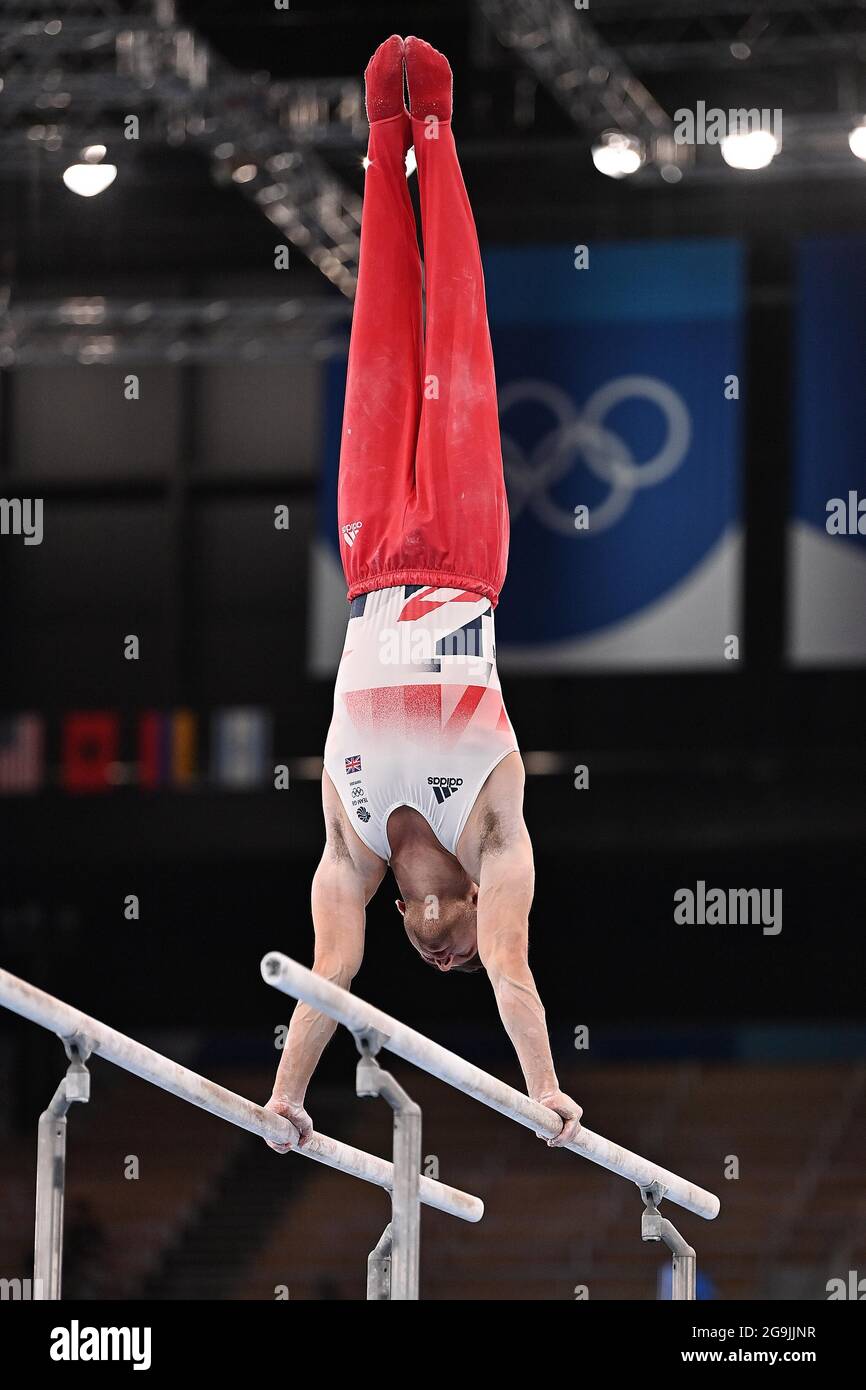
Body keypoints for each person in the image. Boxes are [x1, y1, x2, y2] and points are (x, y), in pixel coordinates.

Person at [266, 36, 582, 1154]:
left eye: (430, 942)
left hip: (362, 559)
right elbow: (514, 966)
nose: (450, 946)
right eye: (458, 937)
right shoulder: (497, 828)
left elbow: (325, 972)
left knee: (378, 340)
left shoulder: (347, 844)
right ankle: (431, 124)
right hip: (457, 550)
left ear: (404, 910)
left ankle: (379, 135)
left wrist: (286, 1095)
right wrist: (541, 1088)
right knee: (453, 318)